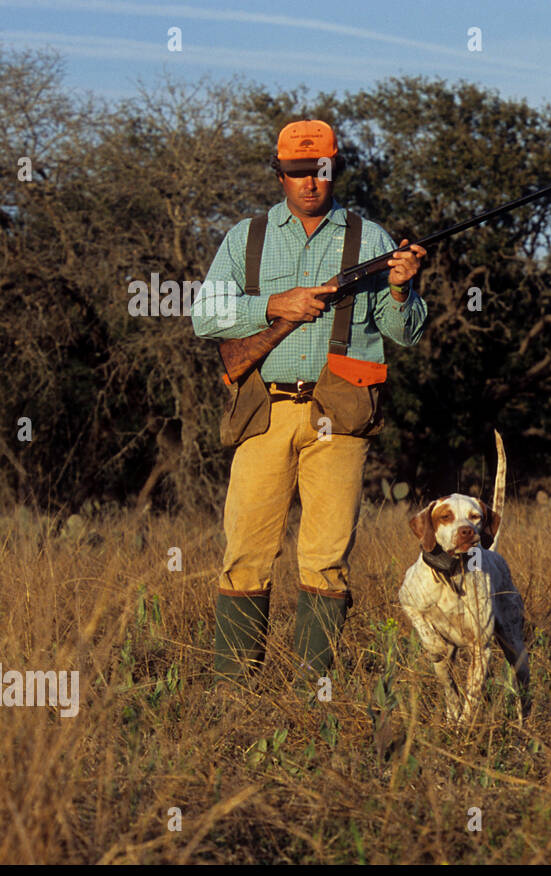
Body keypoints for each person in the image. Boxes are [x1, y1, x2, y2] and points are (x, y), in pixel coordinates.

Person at [191, 118, 427, 684]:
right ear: (279, 175)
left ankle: (310, 691)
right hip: (264, 411)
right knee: (246, 551)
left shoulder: (371, 240)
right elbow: (205, 316)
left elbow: (405, 334)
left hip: (339, 416)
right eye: (297, 172)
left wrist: (401, 287)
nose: (310, 183)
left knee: (324, 558)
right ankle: (233, 691)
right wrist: (277, 305)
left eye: (320, 171)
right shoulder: (244, 238)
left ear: (334, 172)